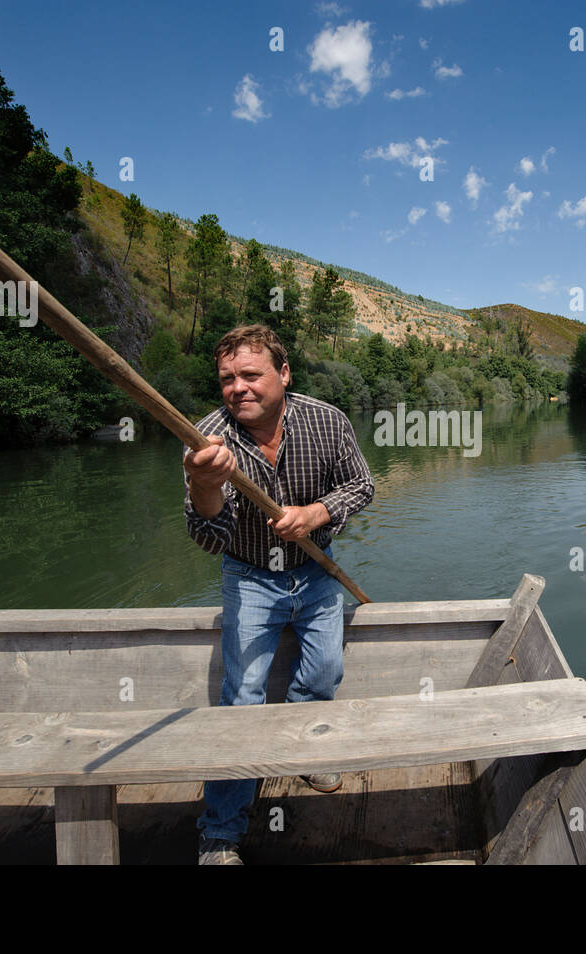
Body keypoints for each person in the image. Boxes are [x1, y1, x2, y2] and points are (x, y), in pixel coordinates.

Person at [182, 324, 374, 865]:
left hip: (316, 574)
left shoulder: (327, 420)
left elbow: (361, 485)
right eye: (226, 379)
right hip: (248, 576)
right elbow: (206, 537)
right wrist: (204, 486)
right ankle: (220, 833)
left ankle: (302, 753)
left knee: (322, 673)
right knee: (240, 699)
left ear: (283, 374)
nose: (237, 388)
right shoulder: (207, 440)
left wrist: (315, 514)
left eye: (250, 374)